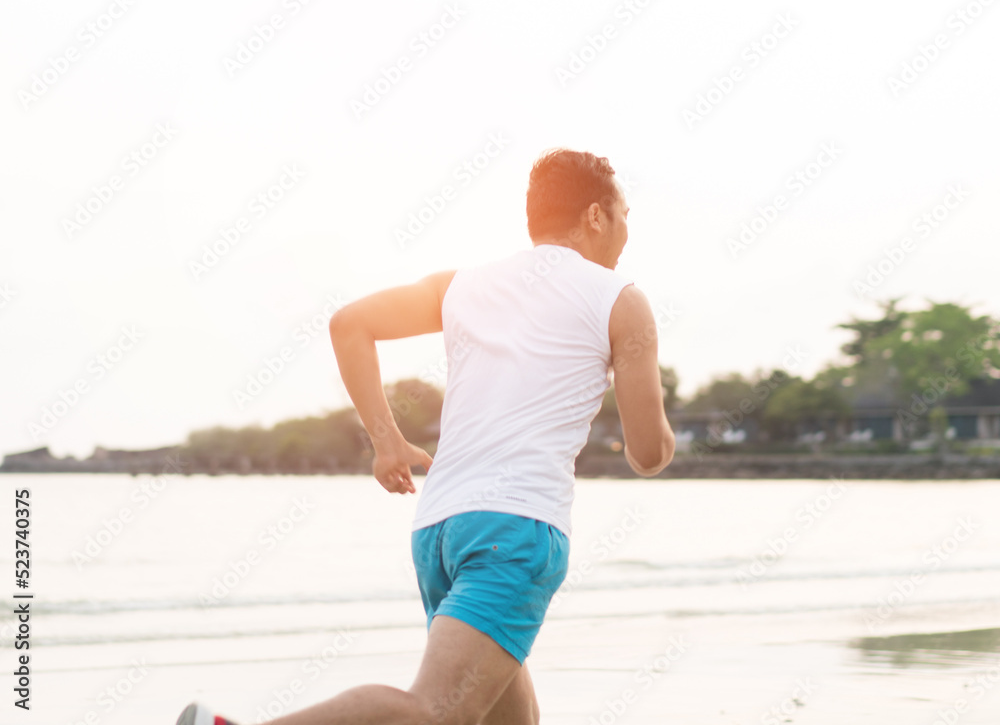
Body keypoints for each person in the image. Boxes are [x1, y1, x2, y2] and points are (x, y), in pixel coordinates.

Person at [176, 148, 675, 725]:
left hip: (440, 531)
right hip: (515, 531)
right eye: (624, 215)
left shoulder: (463, 284)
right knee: (433, 712)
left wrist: (385, 441)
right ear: (595, 216)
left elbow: (350, 324)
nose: (625, 234)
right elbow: (646, 454)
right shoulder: (619, 299)